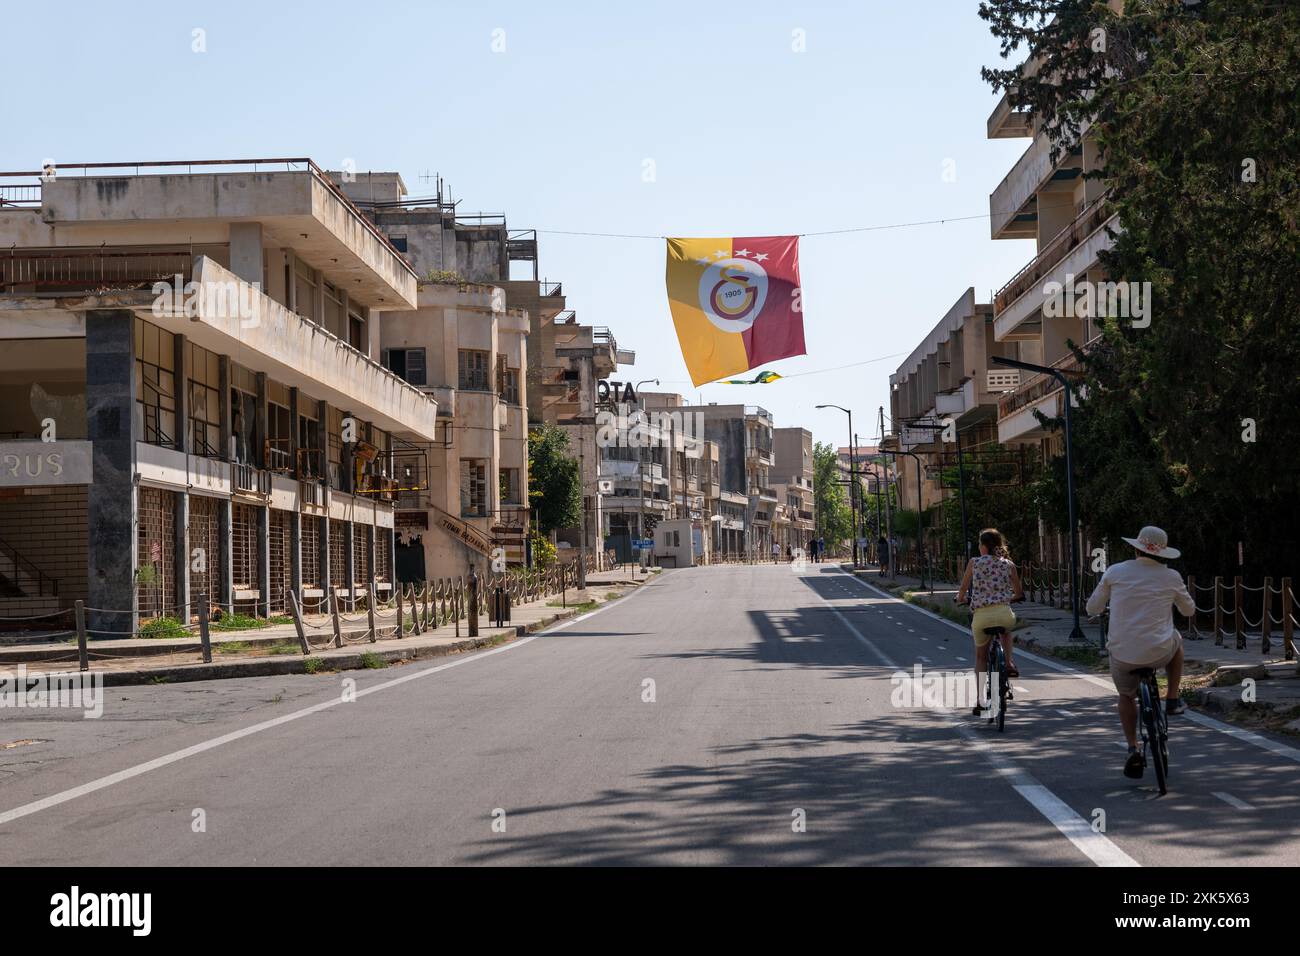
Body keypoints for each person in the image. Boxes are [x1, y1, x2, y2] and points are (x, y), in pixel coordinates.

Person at [1085, 526, 1194, 780]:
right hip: (1160, 652)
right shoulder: (1172, 577)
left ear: (1136, 548)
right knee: (1177, 640)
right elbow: (1189, 611)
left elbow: (1093, 606)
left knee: (1125, 696)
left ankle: (1133, 747)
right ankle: (1173, 698)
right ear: (1163, 553)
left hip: (1123, 655)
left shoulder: (1115, 572)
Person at [957, 528, 1023, 714]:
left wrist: (961, 598)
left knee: (981, 657)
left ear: (983, 546)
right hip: (1004, 613)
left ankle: (980, 700)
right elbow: (1018, 592)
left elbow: (963, 589)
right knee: (1006, 630)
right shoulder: (1008, 564)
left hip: (981, 616)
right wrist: (1011, 597)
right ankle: (1009, 662)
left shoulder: (974, 563)